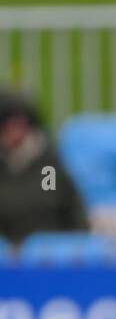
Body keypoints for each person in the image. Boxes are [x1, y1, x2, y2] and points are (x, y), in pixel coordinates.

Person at [0, 90, 90, 245]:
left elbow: (60, 204)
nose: (13, 131)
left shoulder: (48, 165)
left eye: (18, 123)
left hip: (48, 254)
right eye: (6, 124)